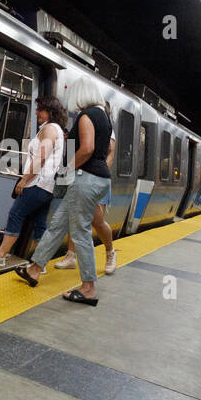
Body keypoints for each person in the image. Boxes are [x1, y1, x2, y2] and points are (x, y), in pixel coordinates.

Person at [14, 79, 113, 305]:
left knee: (80, 232)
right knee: (58, 224)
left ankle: (88, 289)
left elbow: (86, 149)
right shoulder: (104, 116)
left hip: (86, 179)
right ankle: (35, 269)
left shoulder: (87, 115)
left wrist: (68, 168)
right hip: (98, 178)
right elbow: (104, 148)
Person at [0, 96, 67, 265]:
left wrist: (24, 180)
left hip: (38, 183)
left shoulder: (49, 130)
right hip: (47, 186)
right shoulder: (57, 130)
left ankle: (0, 255)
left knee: (16, 214)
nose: (36, 112)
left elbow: (41, 157)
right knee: (40, 223)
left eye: (40, 109)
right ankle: (40, 264)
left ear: (50, 112)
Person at [54, 103, 116, 274]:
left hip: (96, 179)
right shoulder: (84, 119)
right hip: (81, 176)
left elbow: (110, 153)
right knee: (76, 217)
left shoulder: (105, 124)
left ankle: (110, 252)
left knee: (97, 221)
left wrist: (97, 175)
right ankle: (71, 256)